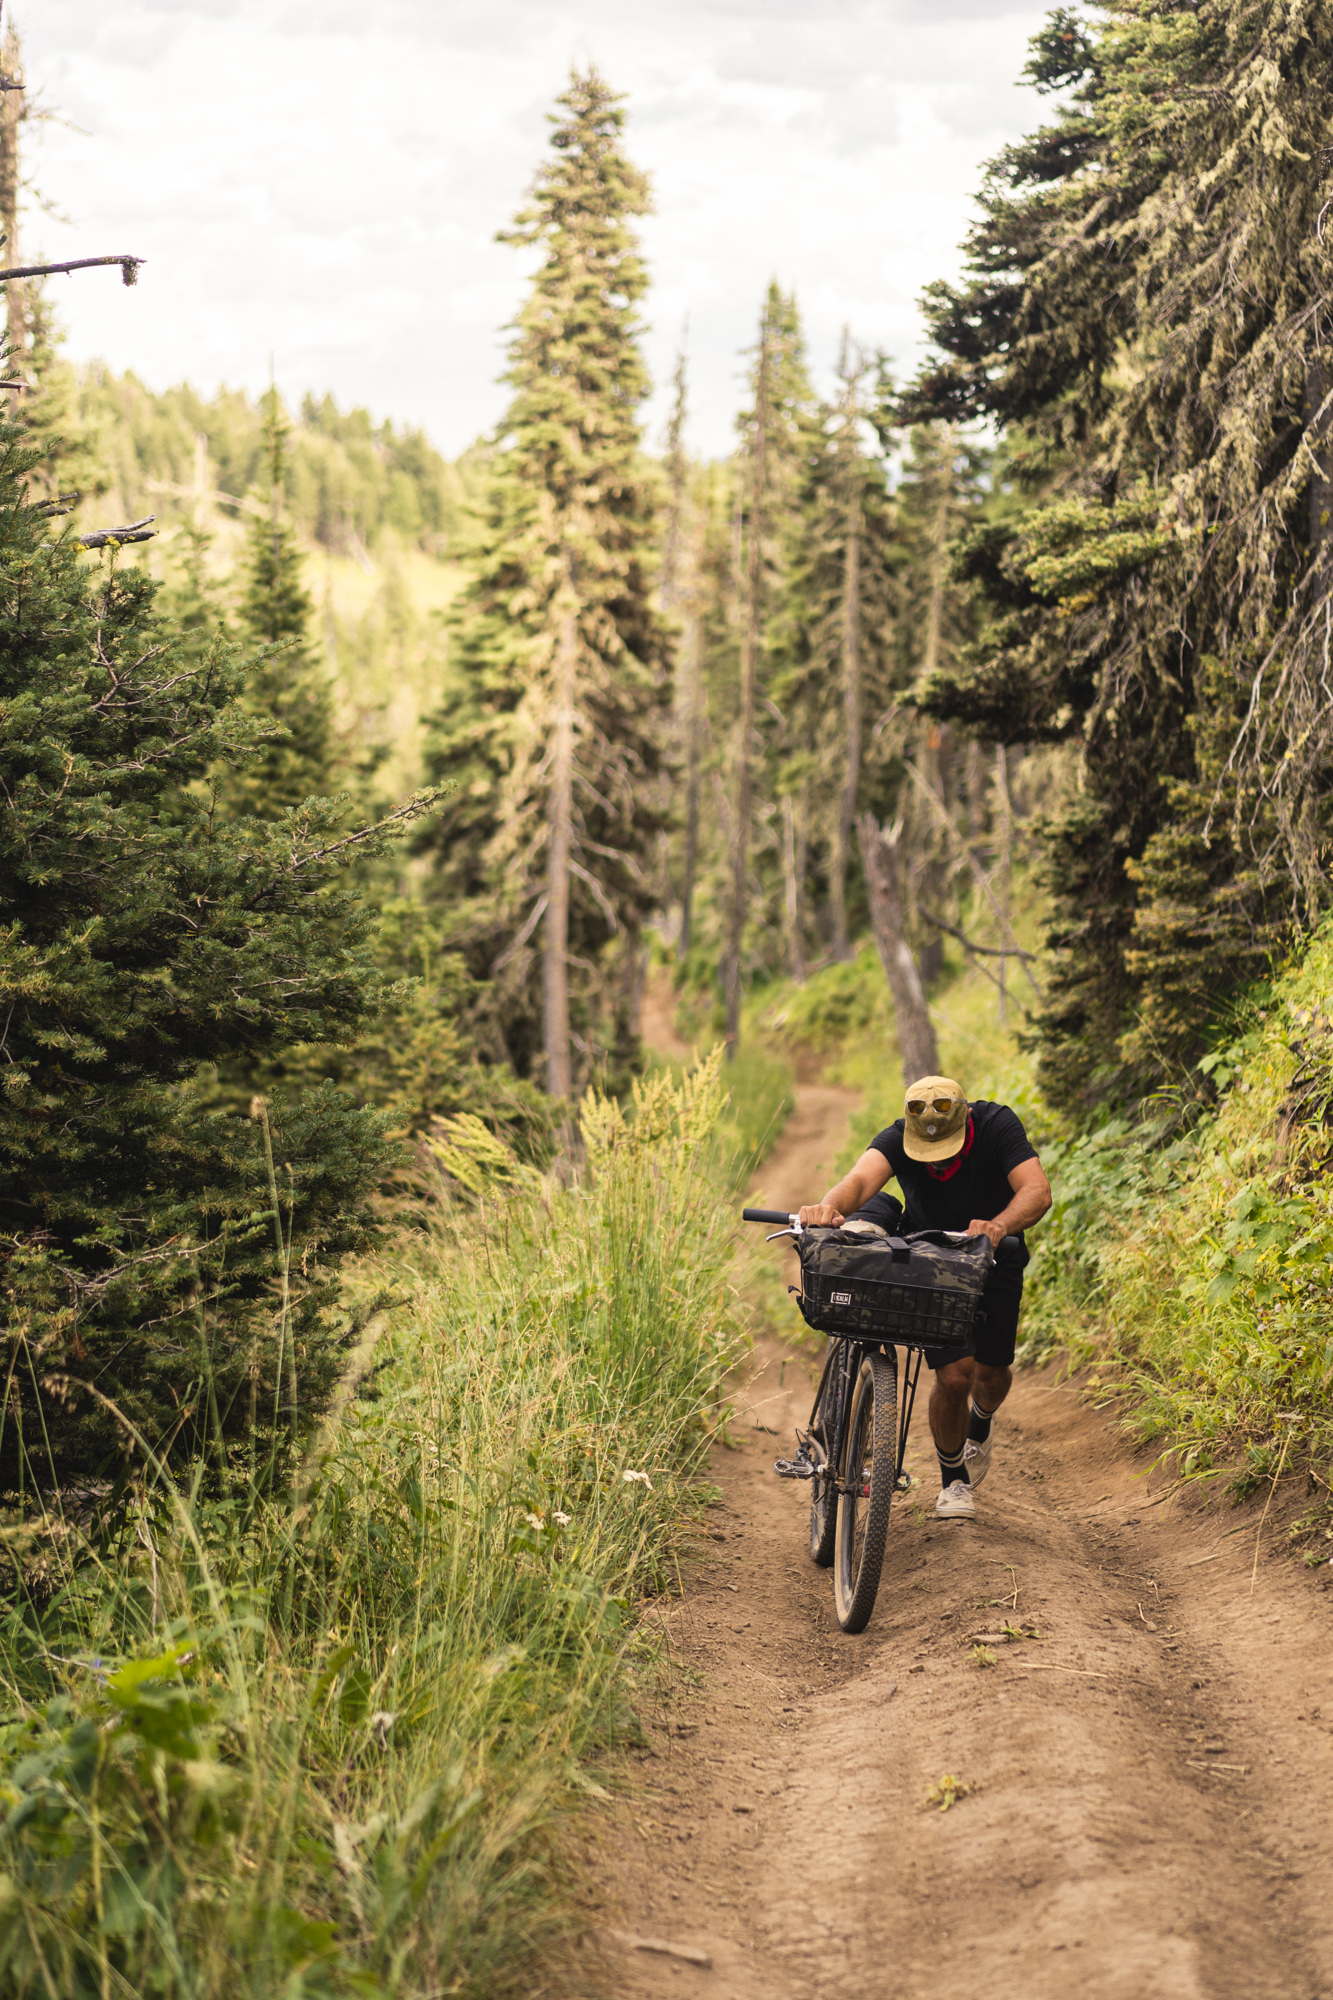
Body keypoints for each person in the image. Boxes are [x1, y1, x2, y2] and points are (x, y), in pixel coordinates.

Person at [797, 1075, 1051, 1521]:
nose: (934, 1164)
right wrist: (829, 1207)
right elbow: (858, 1181)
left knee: (990, 1376)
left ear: (966, 1125)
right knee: (955, 1377)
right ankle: (954, 1480)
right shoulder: (898, 1136)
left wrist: (1000, 1225)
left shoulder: (996, 1126)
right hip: (934, 1262)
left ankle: (981, 1423)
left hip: (995, 1254)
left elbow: (1037, 1190)